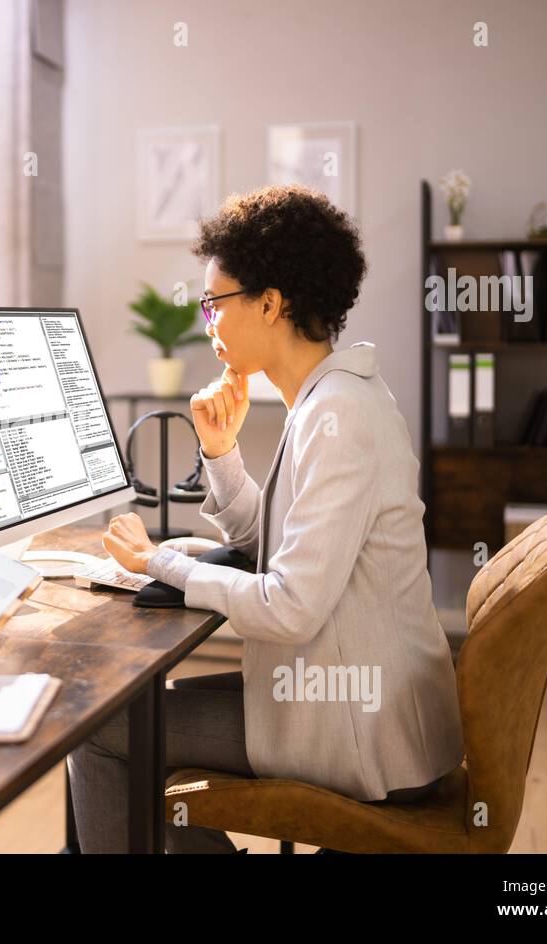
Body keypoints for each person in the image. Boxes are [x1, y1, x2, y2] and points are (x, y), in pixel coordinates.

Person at [67, 185, 464, 853]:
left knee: (100, 730)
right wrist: (221, 456)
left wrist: (158, 562)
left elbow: (289, 608)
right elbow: (279, 550)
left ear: (272, 303)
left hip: (360, 726)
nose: (207, 322)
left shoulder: (336, 418)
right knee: (129, 723)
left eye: (214, 303)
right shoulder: (333, 398)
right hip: (358, 700)